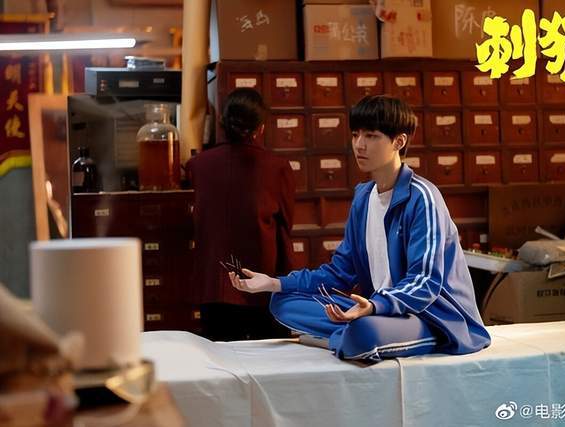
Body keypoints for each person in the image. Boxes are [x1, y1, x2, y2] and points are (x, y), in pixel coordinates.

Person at [228, 95, 491, 361]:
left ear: (399, 142)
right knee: (283, 301)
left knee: (364, 332)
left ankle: (355, 336)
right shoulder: (364, 198)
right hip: (378, 310)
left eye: (371, 136)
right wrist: (274, 282)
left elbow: (425, 282)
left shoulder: (422, 197)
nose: (359, 145)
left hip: (430, 316)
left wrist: (376, 306)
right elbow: (339, 272)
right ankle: (351, 335)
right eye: (355, 135)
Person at [191, 88, 294, 341]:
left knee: (219, 359)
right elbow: (285, 225)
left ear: (222, 122)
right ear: (260, 127)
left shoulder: (198, 166)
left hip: (214, 287)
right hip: (262, 284)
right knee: (268, 358)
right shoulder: (277, 167)